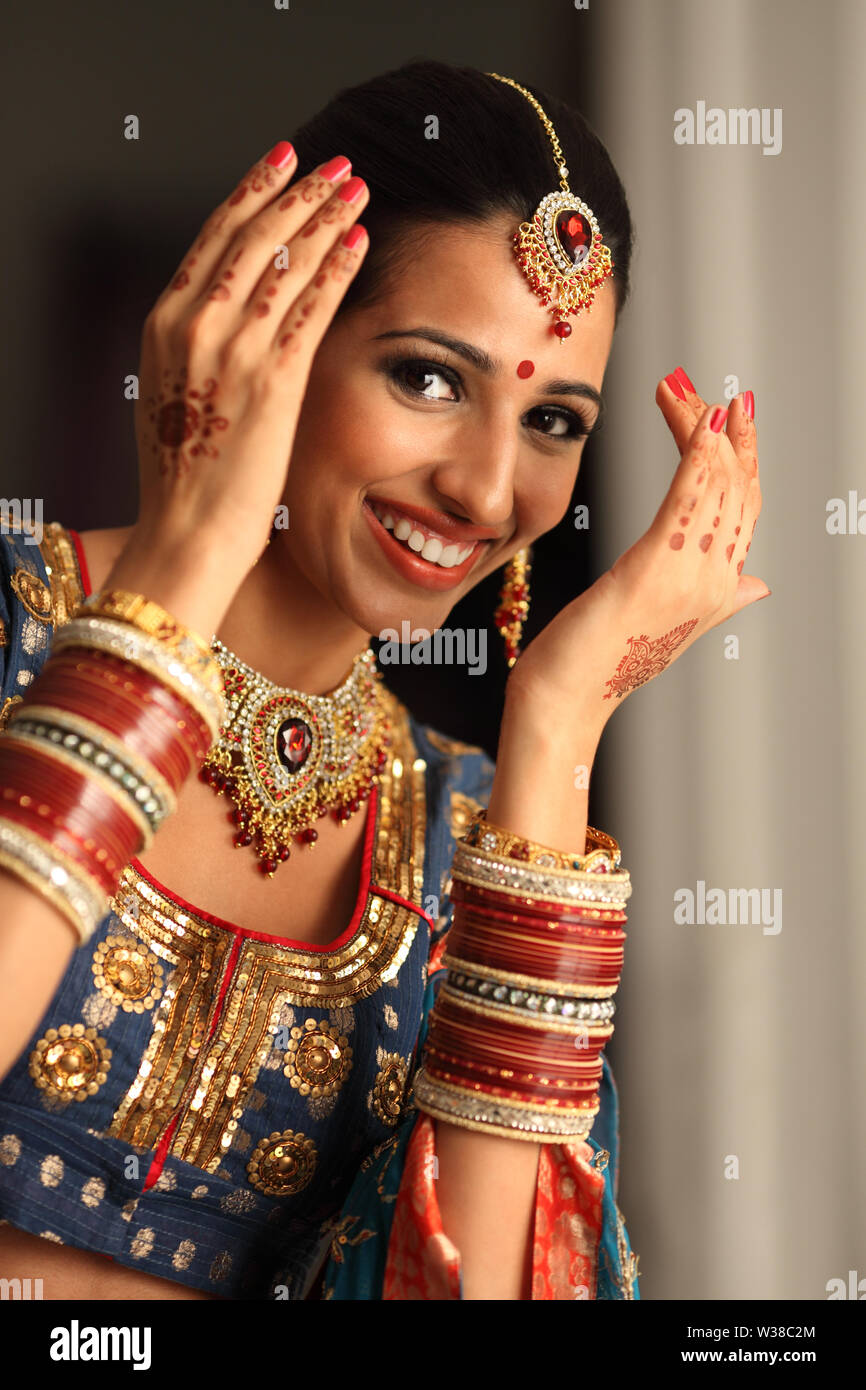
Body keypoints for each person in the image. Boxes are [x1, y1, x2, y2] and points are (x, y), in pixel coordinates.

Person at [0, 59, 766, 1301]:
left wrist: (557, 731)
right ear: (275, 329)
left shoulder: (470, 838)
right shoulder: (14, 626)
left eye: (552, 421)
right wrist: (184, 563)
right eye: (426, 377)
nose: (482, 488)